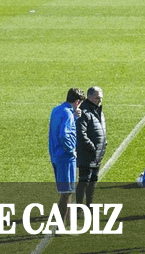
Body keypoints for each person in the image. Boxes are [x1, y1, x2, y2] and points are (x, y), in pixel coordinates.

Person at [48, 87, 84, 227]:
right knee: (66, 193)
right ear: (76, 102)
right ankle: (60, 225)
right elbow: (64, 134)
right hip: (65, 157)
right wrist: (71, 150)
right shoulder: (68, 114)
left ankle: (67, 223)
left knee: (66, 192)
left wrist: (75, 116)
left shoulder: (56, 110)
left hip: (55, 154)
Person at [76, 86, 107, 208]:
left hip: (97, 154)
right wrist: (92, 147)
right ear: (89, 97)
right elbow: (81, 134)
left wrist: (104, 144)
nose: (99, 100)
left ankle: (89, 206)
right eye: (97, 97)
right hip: (87, 154)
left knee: (93, 181)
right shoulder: (84, 111)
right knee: (84, 181)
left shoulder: (97, 110)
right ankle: (78, 208)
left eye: (101, 98)